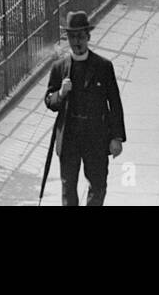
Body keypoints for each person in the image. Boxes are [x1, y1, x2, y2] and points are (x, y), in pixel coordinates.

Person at [42, 11, 125, 206]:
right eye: (72, 37)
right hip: (70, 137)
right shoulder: (59, 67)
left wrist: (116, 137)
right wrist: (61, 94)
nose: (76, 42)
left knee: (98, 186)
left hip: (95, 137)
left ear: (88, 37)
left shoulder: (103, 66)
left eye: (80, 36)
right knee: (68, 188)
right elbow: (49, 100)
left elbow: (115, 103)